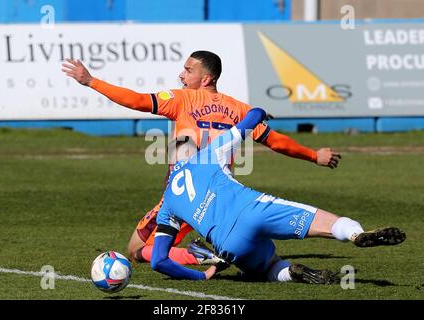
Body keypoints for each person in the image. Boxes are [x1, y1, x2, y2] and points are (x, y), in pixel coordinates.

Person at [62, 51, 342, 266]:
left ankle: (200, 257)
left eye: (188, 70)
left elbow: (136, 100)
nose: (181, 75)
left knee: (135, 251)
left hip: (184, 194)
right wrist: (314, 155)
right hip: (223, 195)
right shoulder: (239, 108)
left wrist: (91, 81)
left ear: (206, 78)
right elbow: (276, 141)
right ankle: (226, 252)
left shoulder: (181, 99)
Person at [150, 108, 406, 283]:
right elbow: (250, 120)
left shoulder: (167, 203)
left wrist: (201, 276)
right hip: (253, 209)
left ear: (171, 164)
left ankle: (292, 273)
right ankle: (356, 234)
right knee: (328, 223)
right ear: (193, 151)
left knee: (268, 268)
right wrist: (260, 112)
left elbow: (159, 261)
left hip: (229, 244)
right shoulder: (207, 154)